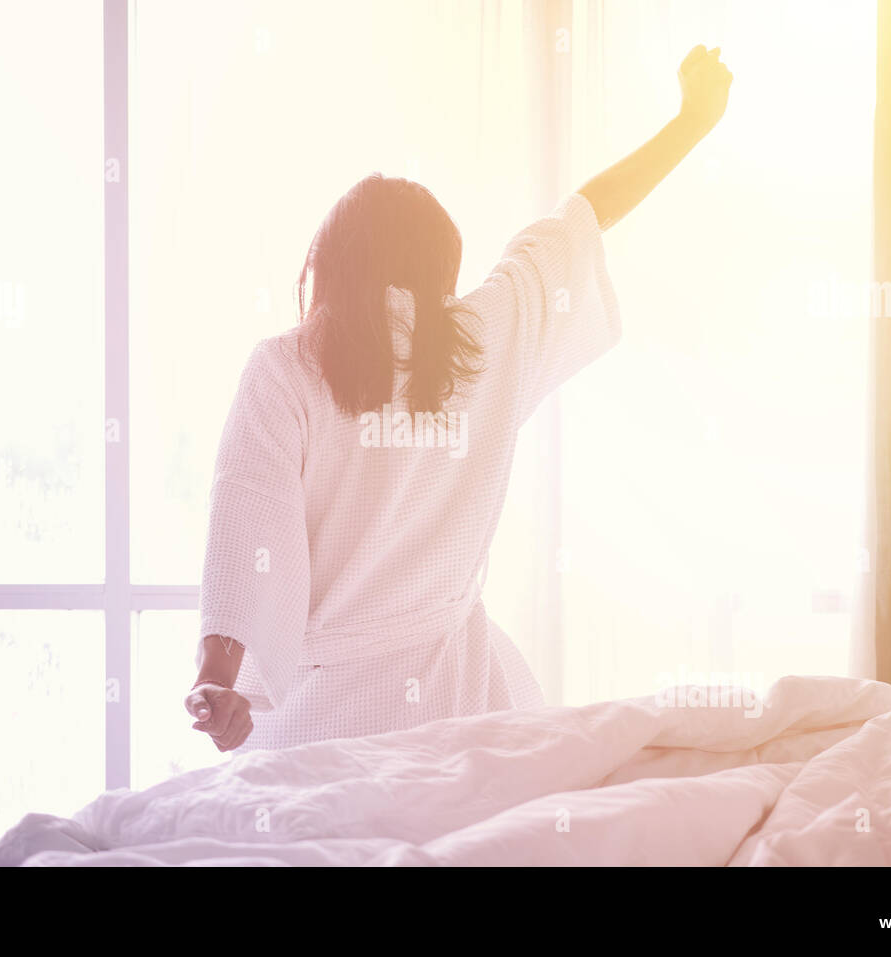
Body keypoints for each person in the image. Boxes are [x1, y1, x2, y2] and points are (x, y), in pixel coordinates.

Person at [186, 46, 733, 752]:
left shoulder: (286, 368)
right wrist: (690, 123)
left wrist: (218, 678)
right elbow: (584, 217)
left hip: (320, 721)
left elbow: (246, 522)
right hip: (466, 706)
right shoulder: (481, 341)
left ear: (329, 262)